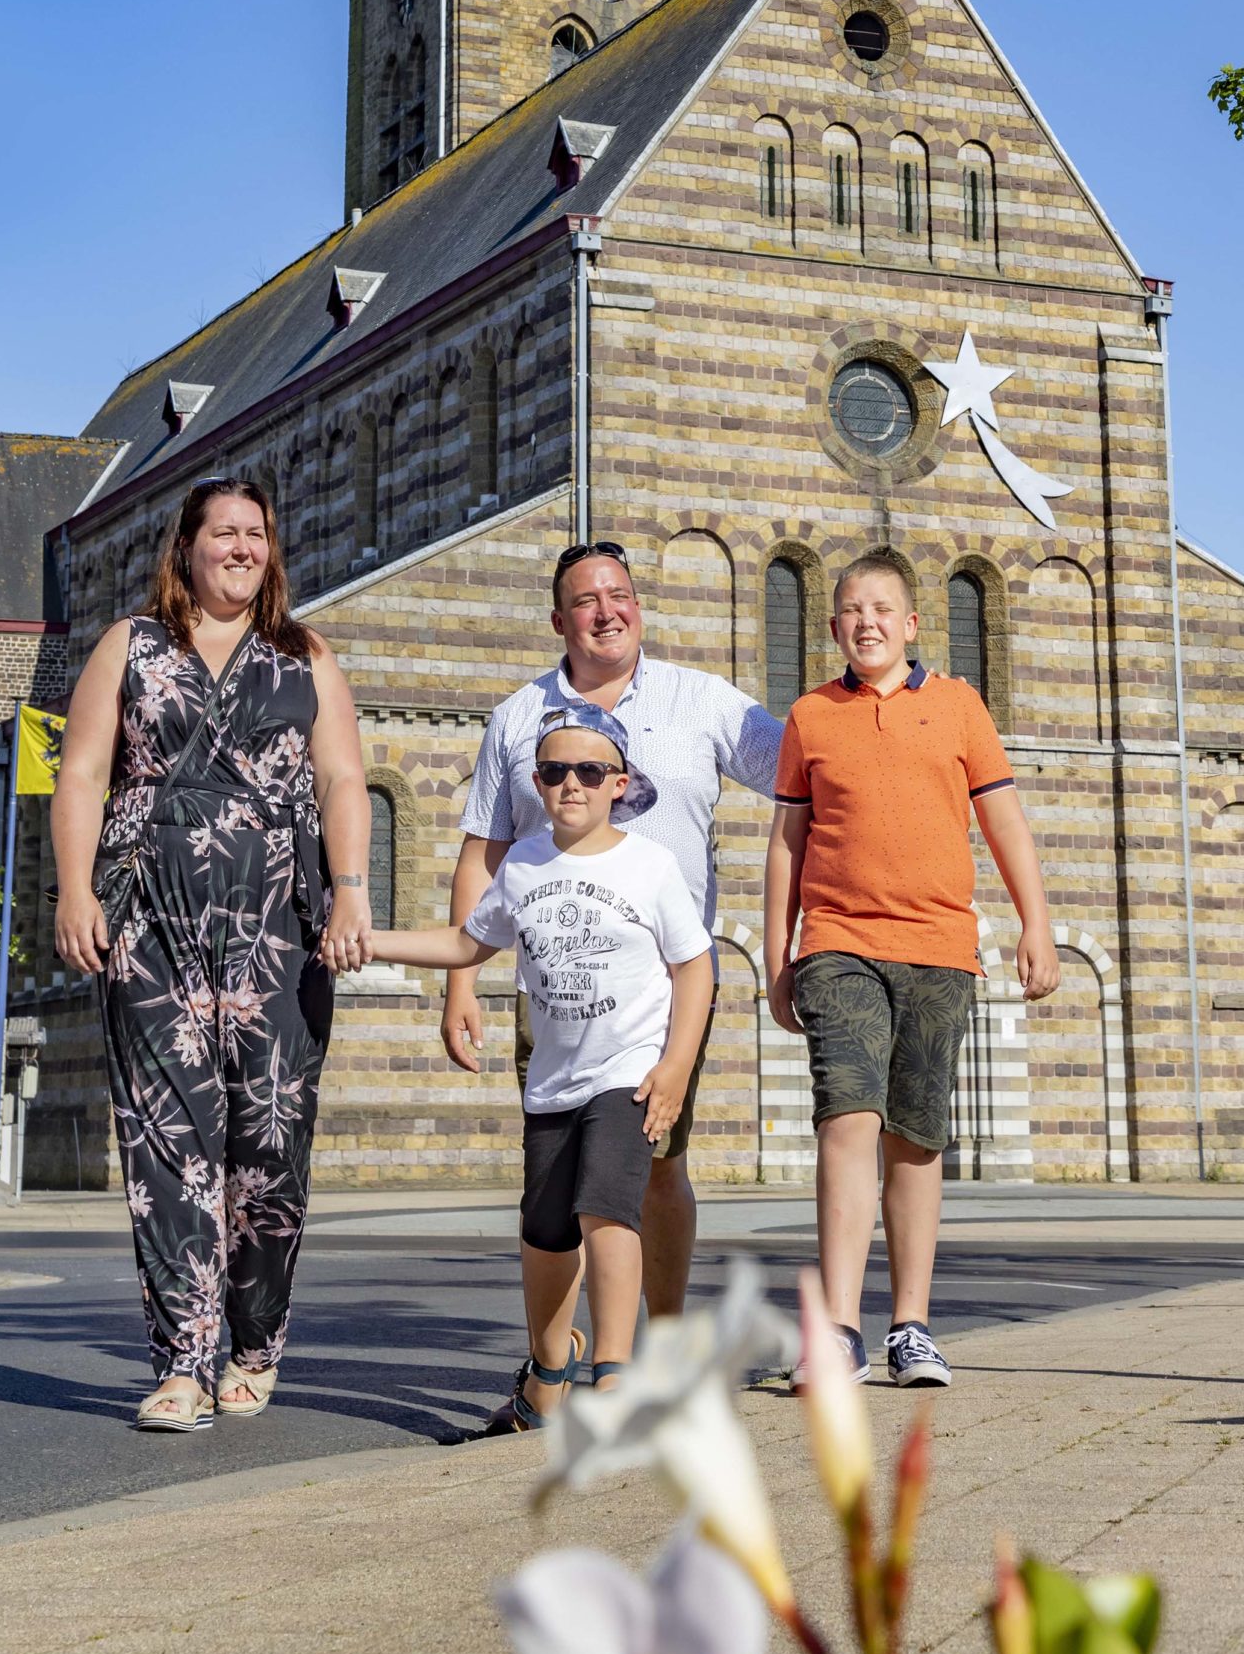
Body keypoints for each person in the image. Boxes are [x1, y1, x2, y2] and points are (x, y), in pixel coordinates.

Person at [52, 477, 384, 1432]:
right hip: (151, 916)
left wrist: (351, 891)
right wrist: (77, 890)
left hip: (278, 922)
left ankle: (255, 1340)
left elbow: (343, 777)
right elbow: (80, 773)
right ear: (186, 547)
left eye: (257, 534)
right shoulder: (131, 645)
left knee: (268, 1144)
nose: (241, 546)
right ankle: (182, 1364)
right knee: (167, 1139)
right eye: (223, 532)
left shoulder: (304, 656)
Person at [441, 537, 782, 1366]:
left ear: (637, 605)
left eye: (619, 594)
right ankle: (557, 1366)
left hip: (665, 992)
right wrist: (460, 989)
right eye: (587, 600)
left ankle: (645, 1351)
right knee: (559, 1192)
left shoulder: (702, 701)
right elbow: (483, 854)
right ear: (560, 620)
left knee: (651, 1169)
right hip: (556, 990)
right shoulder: (518, 718)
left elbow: (804, 769)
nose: (606, 610)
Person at [359, 711, 714, 1428]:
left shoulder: (649, 866)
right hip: (553, 1080)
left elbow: (695, 967)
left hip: (631, 1070)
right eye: (554, 772)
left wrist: (675, 1066)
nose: (570, 784)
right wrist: (367, 941)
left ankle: (613, 1376)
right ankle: (549, 1372)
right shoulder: (522, 862)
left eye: (588, 771)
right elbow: (466, 943)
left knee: (605, 1208)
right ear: (536, 784)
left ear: (619, 785)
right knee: (544, 1229)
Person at [764, 546, 1061, 1390]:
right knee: (845, 1119)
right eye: (852, 611)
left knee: (915, 1139)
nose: (866, 623)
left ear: (910, 624)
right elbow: (787, 846)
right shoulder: (810, 717)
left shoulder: (961, 707)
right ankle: (837, 1333)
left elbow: (1003, 821)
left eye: (881, 610)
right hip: (837, 943)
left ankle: (910, 1328)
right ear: (834, 627)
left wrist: (1033, 924)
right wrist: (779, 951)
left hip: (938, 948)